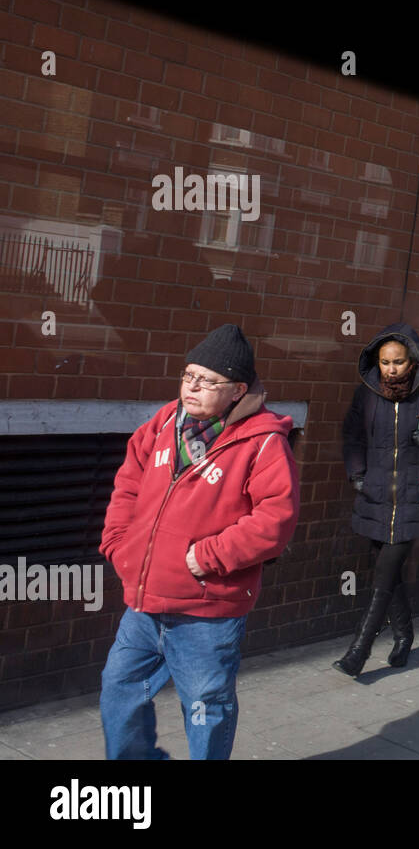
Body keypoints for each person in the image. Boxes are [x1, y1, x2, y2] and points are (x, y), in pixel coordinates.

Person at [99, 324, 300, 759]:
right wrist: (119, 542)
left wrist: (205, 557)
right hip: (144, 602)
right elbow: (128, 484)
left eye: (207, 381)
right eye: (188, 375)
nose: (192, 387)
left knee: (206, 708)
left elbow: (275, 519)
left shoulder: (263, 442)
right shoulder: (165, 422)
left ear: (237, 390)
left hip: (207, 610)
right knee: (119, 690)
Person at [337, 322, 419, 676]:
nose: (391, 369)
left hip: (416, 496)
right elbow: (351, 436)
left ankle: (358, 652)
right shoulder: (365, 394)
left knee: (384, 573)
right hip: (375, 494)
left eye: (398, 362)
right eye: (384, 362)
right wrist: (358, 473)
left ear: (413, 361)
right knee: (387, 572)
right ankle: (404, 637)